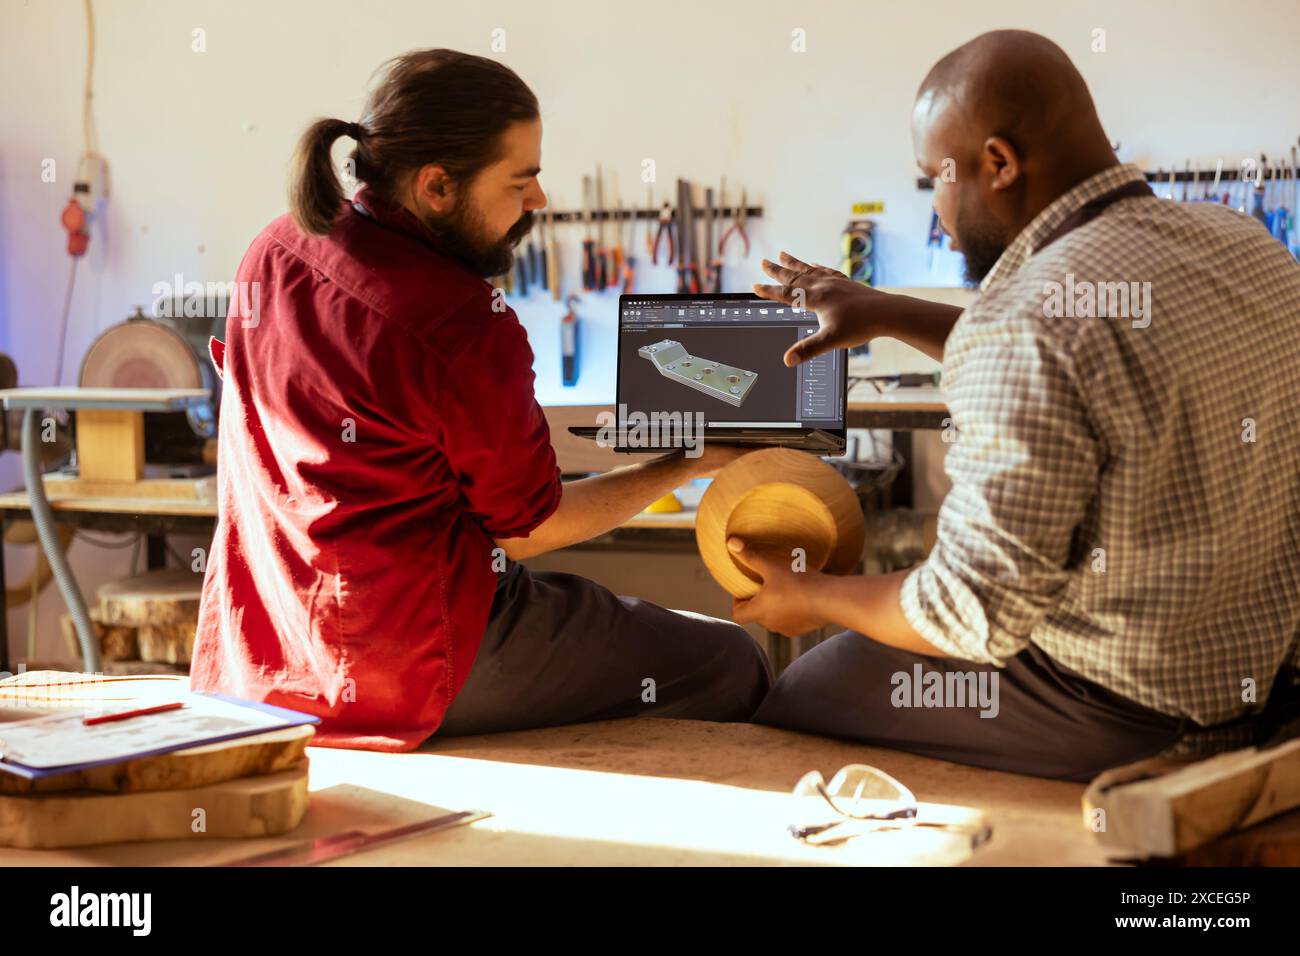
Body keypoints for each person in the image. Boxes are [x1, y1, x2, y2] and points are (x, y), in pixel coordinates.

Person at [738, 30, 1300, 781]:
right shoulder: (1245, 245)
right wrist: (888, 309)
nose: (938, 214)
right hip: (1261, 684)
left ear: (998, 163)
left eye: (934, 180)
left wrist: (811, 595)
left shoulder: (1028, 319)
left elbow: (968, 611)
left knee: (810, 687)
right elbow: (1086, 365)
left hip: (1126, 710)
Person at [190, 49, 770, 751]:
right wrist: (685, 465)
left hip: (263, 656)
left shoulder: (274, 249)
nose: (538, 202)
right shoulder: (461, 322)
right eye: (521, 180)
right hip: (403, 666)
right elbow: (531, 529)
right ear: (437, 185)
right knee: (732, 658)